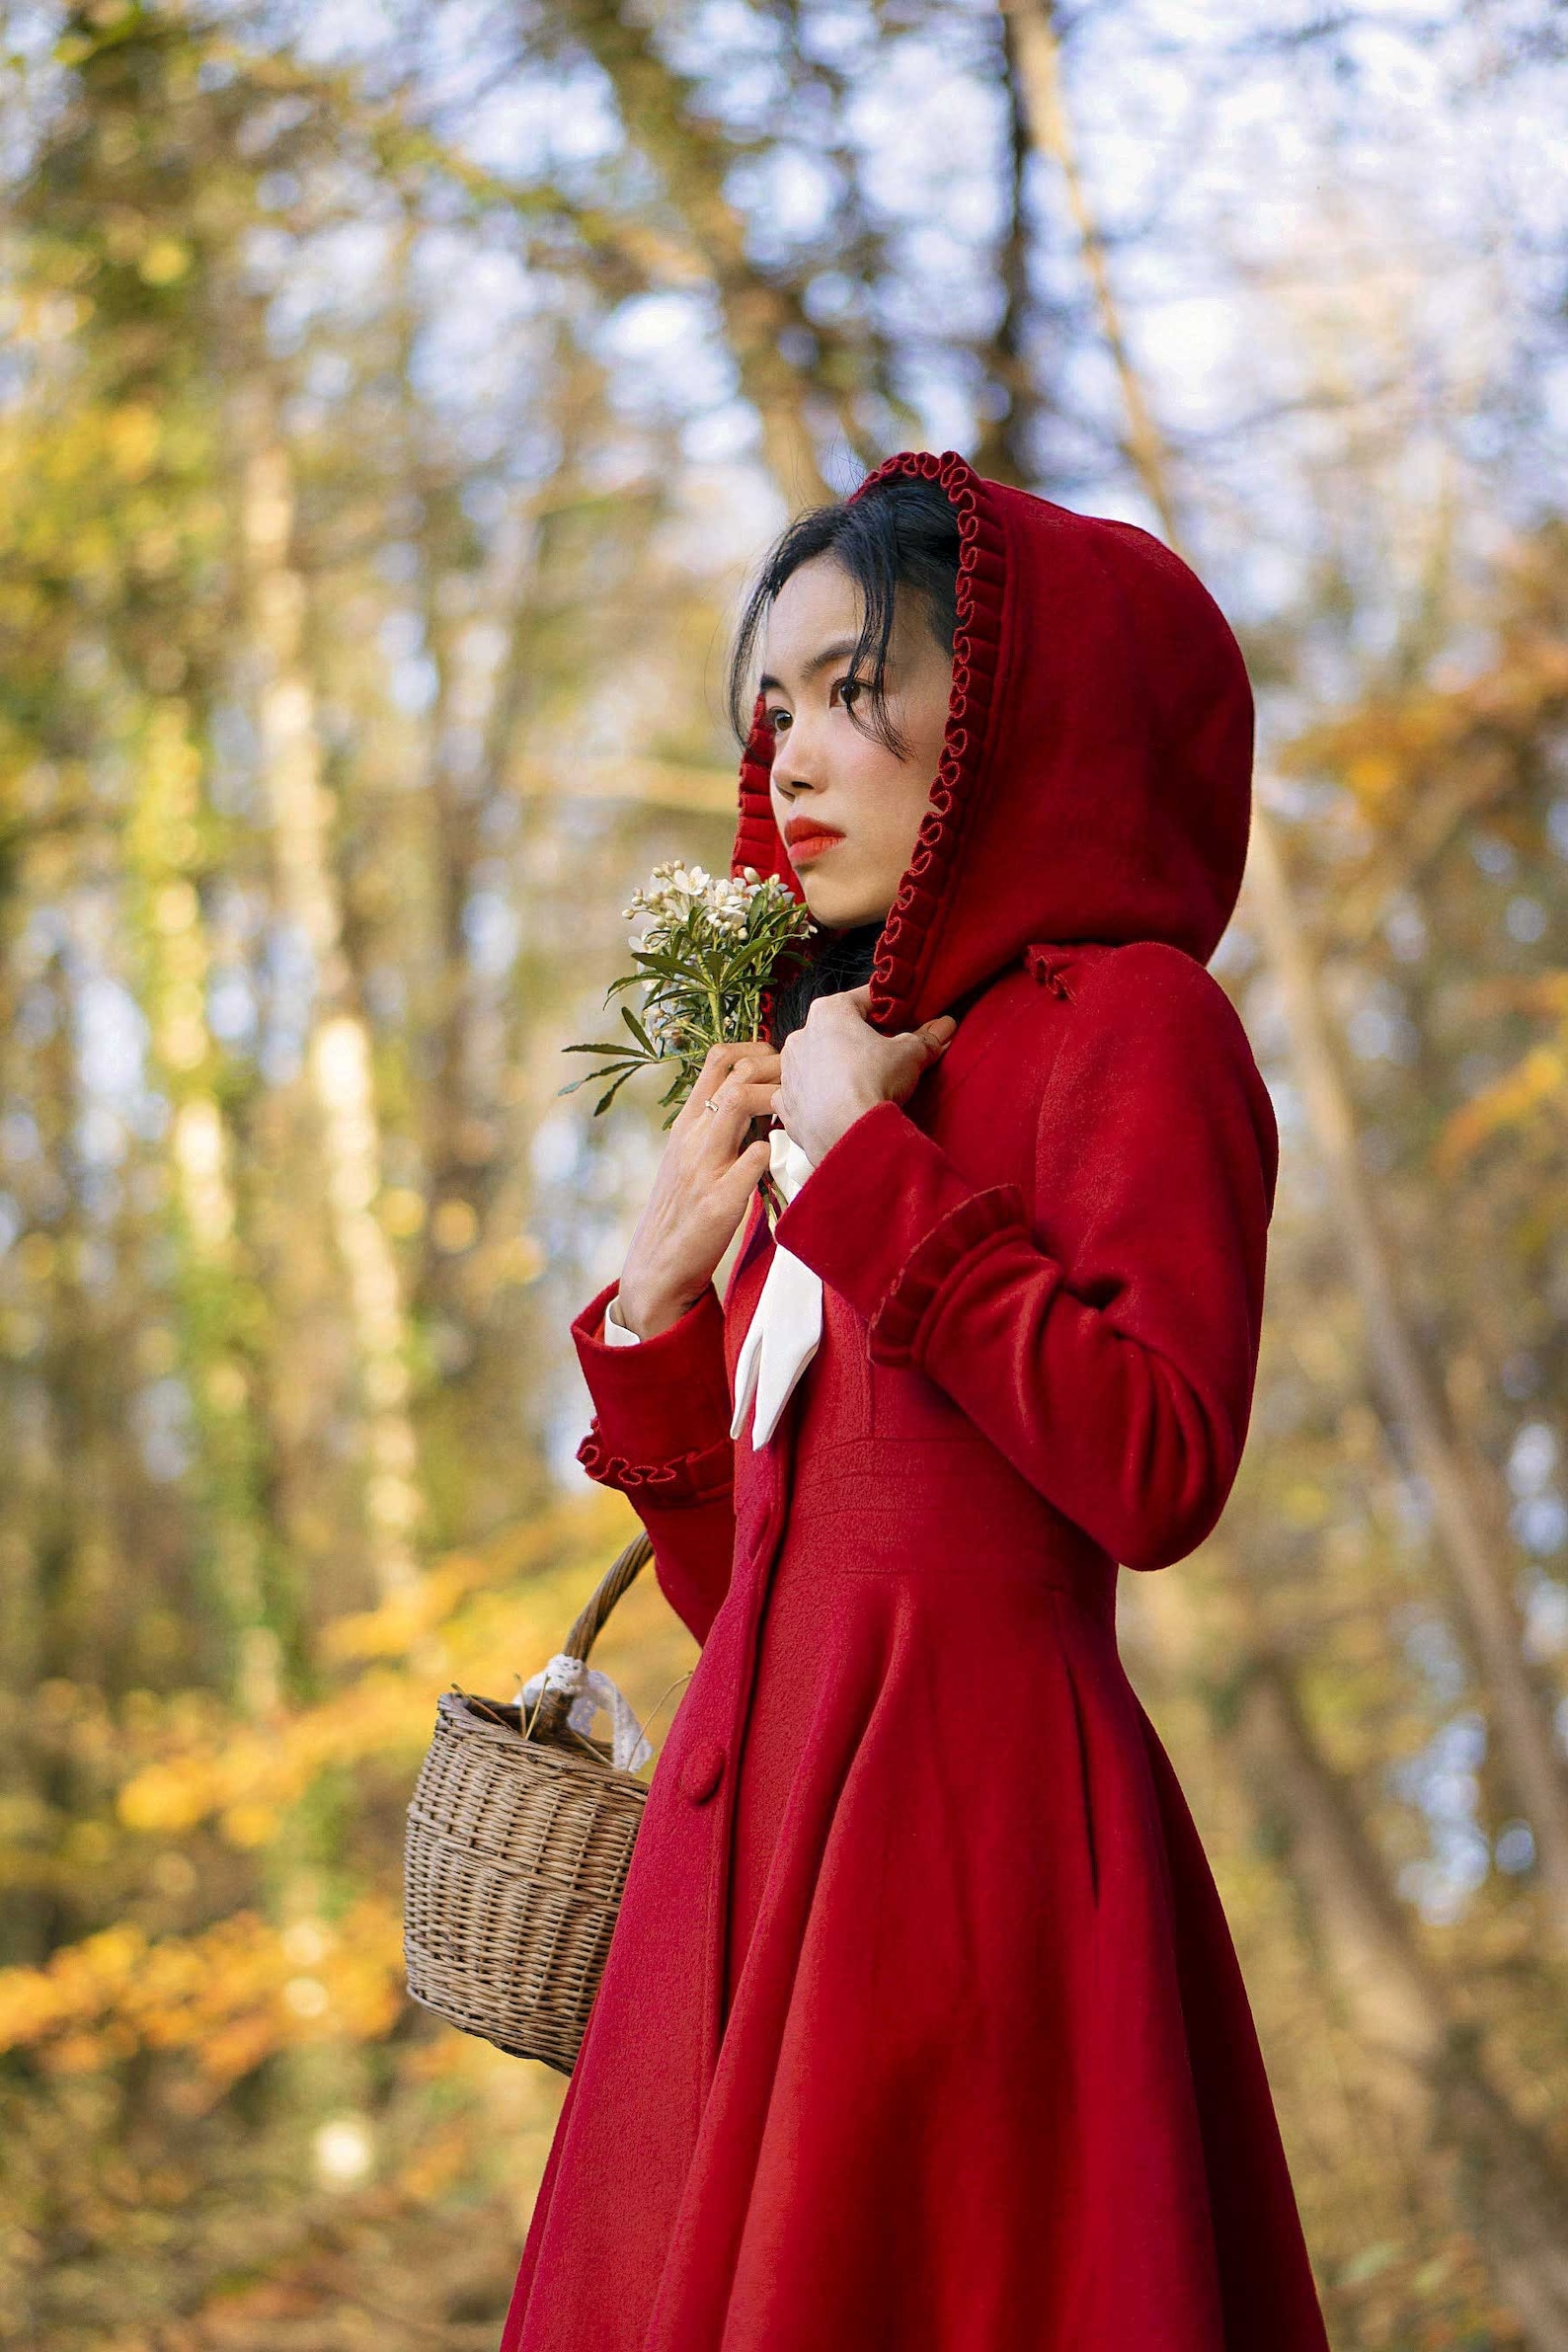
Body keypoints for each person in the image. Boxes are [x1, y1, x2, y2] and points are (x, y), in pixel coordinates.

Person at [499, 449, 1331, 2351]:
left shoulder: (1132, 1023)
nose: (792, 757)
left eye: (857, 693)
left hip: (969, 1880)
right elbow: (768, 1609)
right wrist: (653, 1306)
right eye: (774, 705)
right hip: (750, 1887)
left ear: (1005, 724)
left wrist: (875, 1177)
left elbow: (1158, 1462)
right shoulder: (839, 1066)